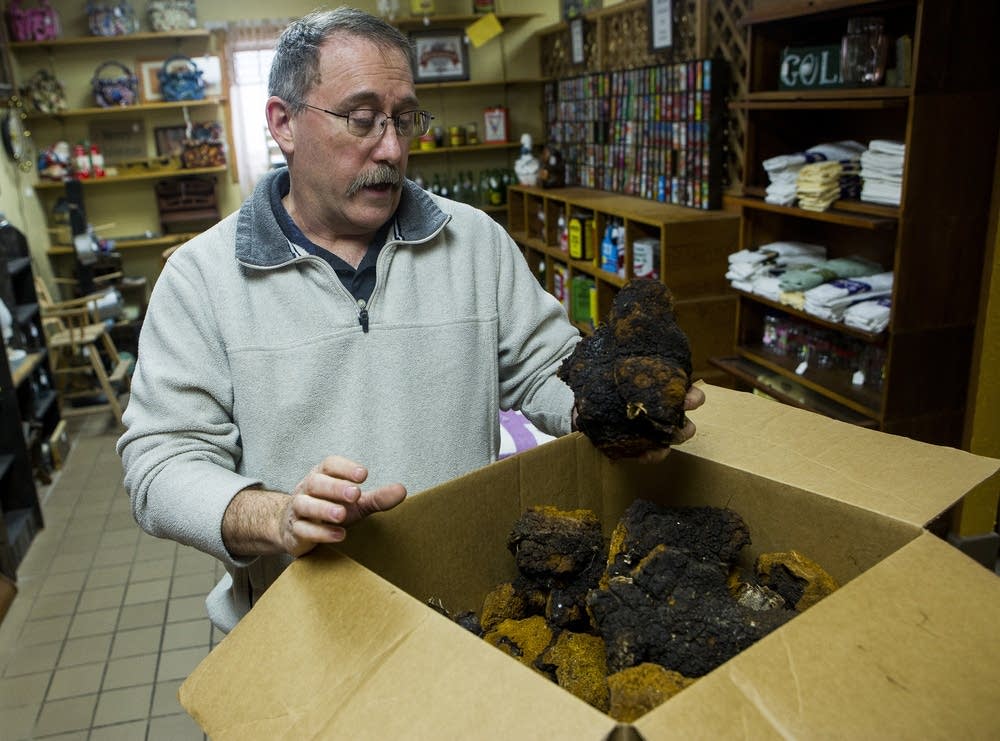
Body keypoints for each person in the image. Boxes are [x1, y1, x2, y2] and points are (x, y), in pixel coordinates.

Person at [117, 7, 704, 634]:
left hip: (465, 609)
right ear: (283, 122)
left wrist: (614, 409)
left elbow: (544, 371)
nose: (393, 149)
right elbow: (162, 463)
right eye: (362, 119)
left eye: (404, 119)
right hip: (299, 625)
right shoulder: (202, 278)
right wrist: (275, 516)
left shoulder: (474, 241)